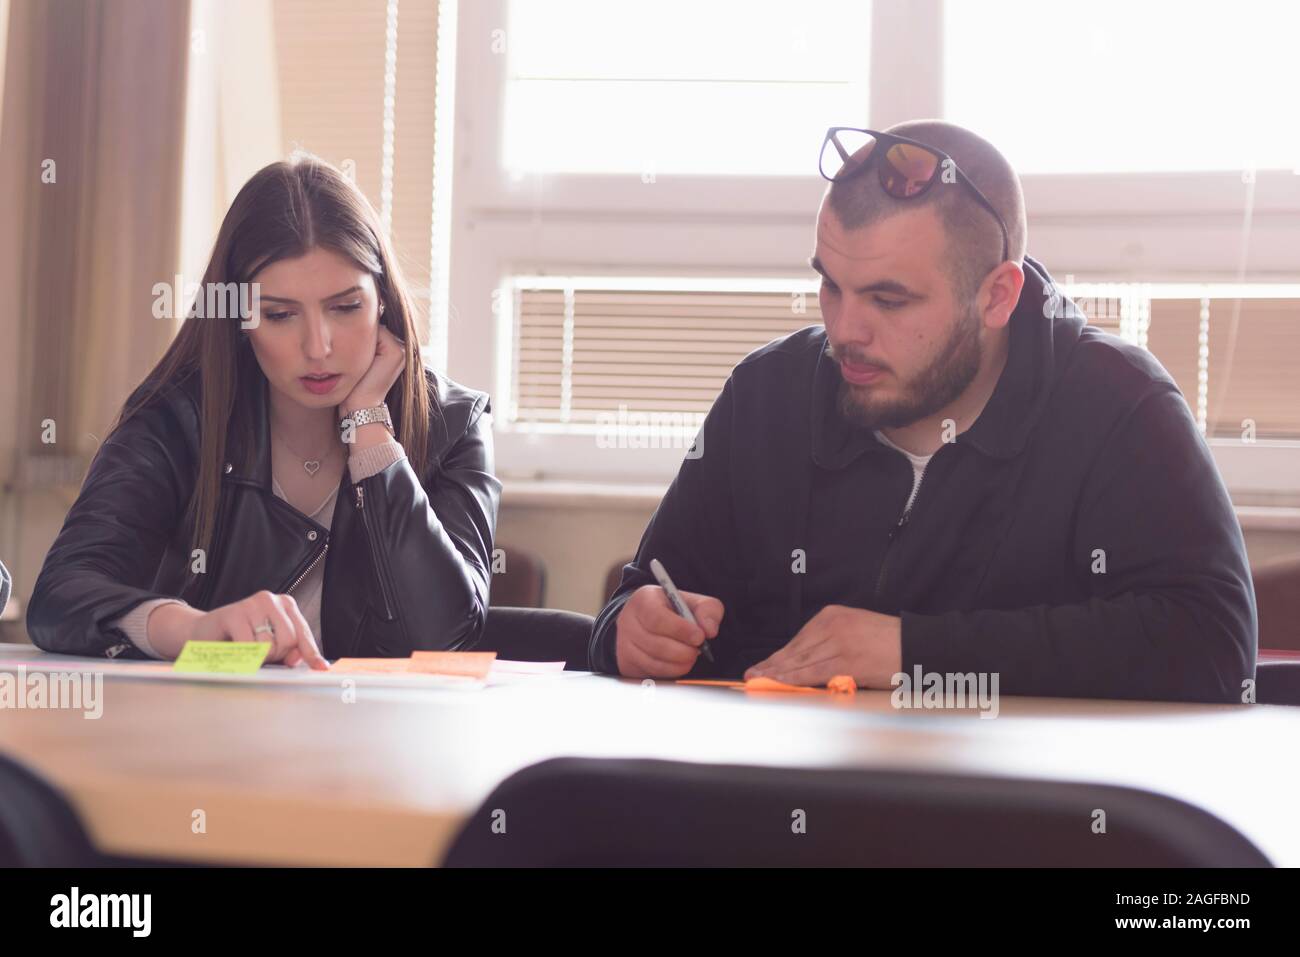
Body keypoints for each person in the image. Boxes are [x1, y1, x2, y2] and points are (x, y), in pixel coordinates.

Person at [591, 120, 1256, 702]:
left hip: (1017, 826)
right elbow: (646, 592)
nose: (845, 330)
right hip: (777, 819)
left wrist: (912, 652)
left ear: (998, 295)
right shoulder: (765, 396)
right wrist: (631, 630)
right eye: (830, 283)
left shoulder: (1118, 405)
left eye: (889, 299)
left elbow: (1212, 642)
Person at [27, 154, 500, 667]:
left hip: (385, 738)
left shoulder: (455, 424)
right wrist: (194, 629)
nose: (318, 347)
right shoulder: (179, 418)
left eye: (345, 307)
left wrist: (369, 425)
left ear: (381, 300)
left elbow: (443, 640)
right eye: (278, 314)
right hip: (205, 734)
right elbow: (61, 596)